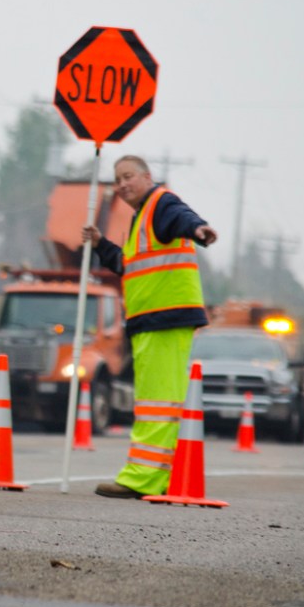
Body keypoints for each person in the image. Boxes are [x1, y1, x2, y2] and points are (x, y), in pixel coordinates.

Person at [81, 155, 218, 498]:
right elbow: (127, 265)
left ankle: (142, 478)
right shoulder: (141, 218)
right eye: (117, 179)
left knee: (158, 402)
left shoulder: (160, 203)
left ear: (147, 176)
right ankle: (162, 475)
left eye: (128, 176)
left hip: (165, 318)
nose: (122, 184)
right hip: (152, 321)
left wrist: (199, 229)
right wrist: (100, 244)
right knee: (159, 400)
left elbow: (181, 216)